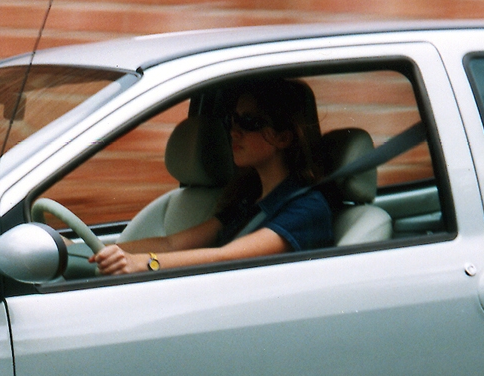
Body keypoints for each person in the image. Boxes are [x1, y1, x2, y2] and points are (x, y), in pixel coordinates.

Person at [92, 77, 334, 275]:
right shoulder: (250, 198)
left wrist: (144, 263)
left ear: (284, 137)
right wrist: (98, 252)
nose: (233, 131)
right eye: (232, 119)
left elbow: (226, 257)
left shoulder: (307, 209)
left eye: (248, 121)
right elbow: (171, 244)